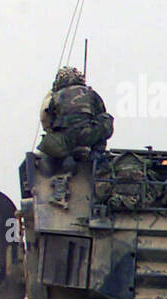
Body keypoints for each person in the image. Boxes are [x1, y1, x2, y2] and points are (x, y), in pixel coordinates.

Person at [37, 67, 114, 209]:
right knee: (105, 121)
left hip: (65, 142)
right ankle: (98, 157)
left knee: (50, 145)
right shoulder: (92, 94)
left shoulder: (56, 96)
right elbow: (101, 114)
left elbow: (48, 121)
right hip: (88, 136)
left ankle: (61, 181)